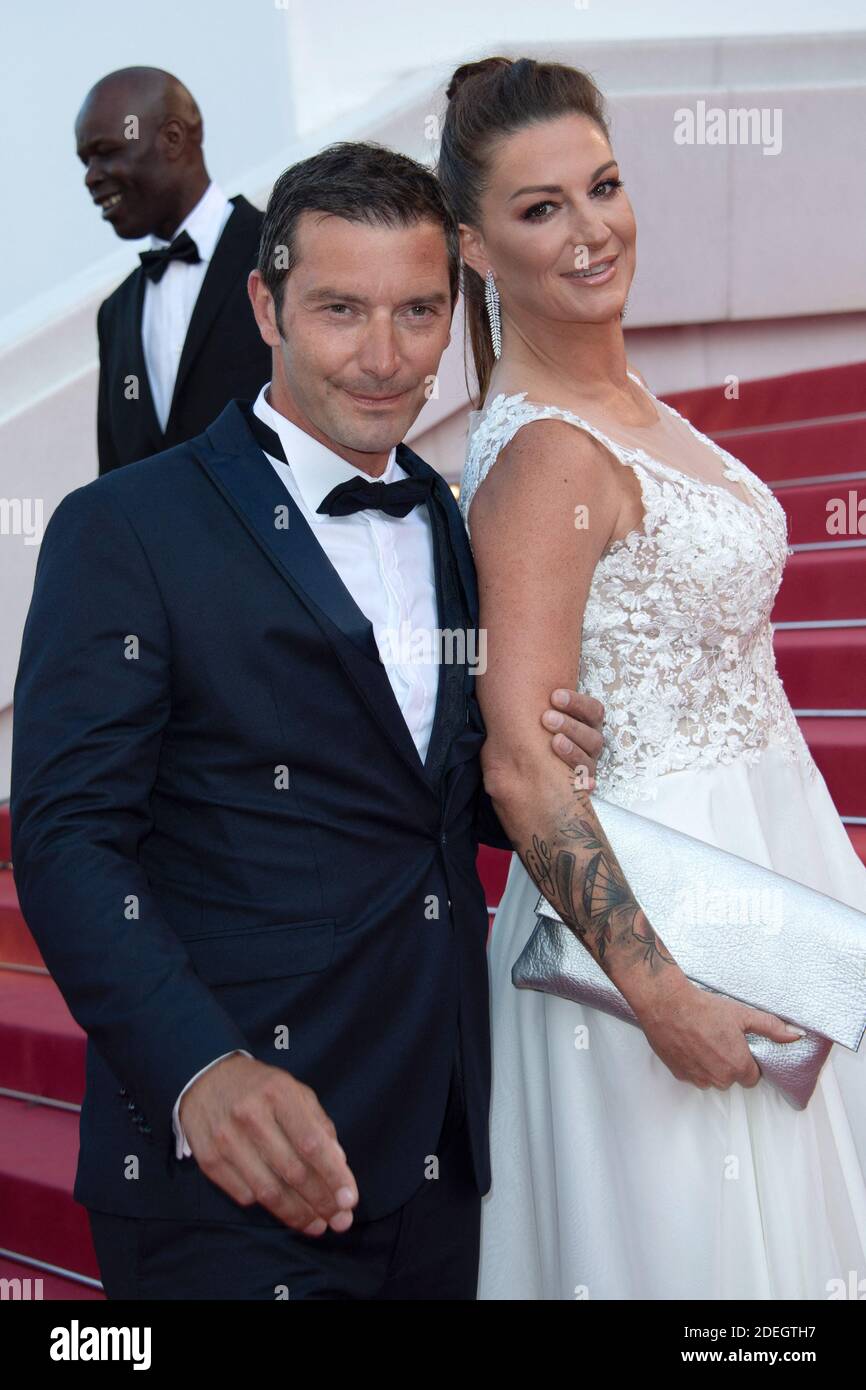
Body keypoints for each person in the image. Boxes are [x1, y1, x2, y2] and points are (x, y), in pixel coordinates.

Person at [10, 140, 601, 1300]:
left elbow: (404, 787)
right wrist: (200, 1072)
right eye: (339, 310)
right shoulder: (124, 527)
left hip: (439, 1146)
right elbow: (69, 838)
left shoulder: (448, 517)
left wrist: (520, 759)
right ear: (264, 305)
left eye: (418, 312)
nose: (385, 360)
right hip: (228, 1169)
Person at [439, 55, 866, 1300]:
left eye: (603, 185)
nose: (591, 231)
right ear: (472, 247)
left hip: (764, 871)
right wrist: (660, 991)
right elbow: (520, 760)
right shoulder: (545, 460)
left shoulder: (625, 404)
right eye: (539, 209)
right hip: (658, 929)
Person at [75, 67, 270, 474]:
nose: (91, 177)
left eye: (106, 152)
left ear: (173, 139)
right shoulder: (116, 311)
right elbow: (115, 477)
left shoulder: (283, 255)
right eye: (85, 161)